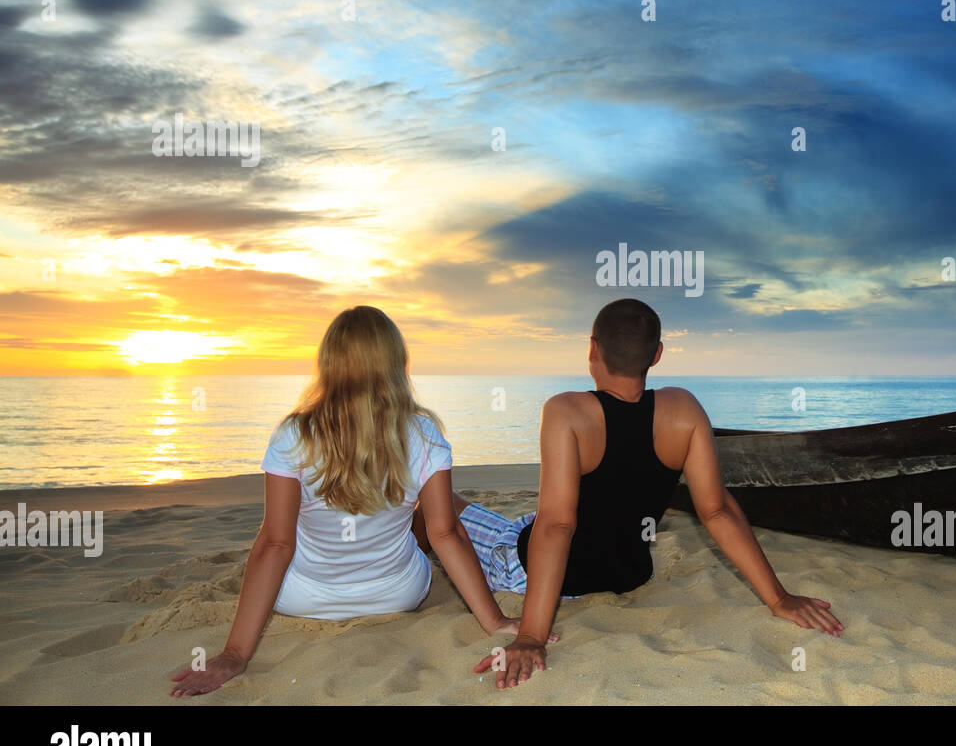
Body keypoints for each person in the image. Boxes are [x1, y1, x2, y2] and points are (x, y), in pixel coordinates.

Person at [168, 305, 545, 697]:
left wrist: (235, 654)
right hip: (398, 594)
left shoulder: (294, 434)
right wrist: (495, 621)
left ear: (329, 364)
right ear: (396, 363)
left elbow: (276, 546)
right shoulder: (423, 433)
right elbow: (445, 533)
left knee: (277, 531)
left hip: (301, 599)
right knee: (434, 511)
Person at [467, 298, 844, 690]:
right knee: (517, 517)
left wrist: (531, 636)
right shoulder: (684, 409)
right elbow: (717, 512)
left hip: (539, 574)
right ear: (658, 354)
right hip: (630, 573)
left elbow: (558, 525)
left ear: (592, 348)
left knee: (435, 513)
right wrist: (778, 599)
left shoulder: (566, 411)